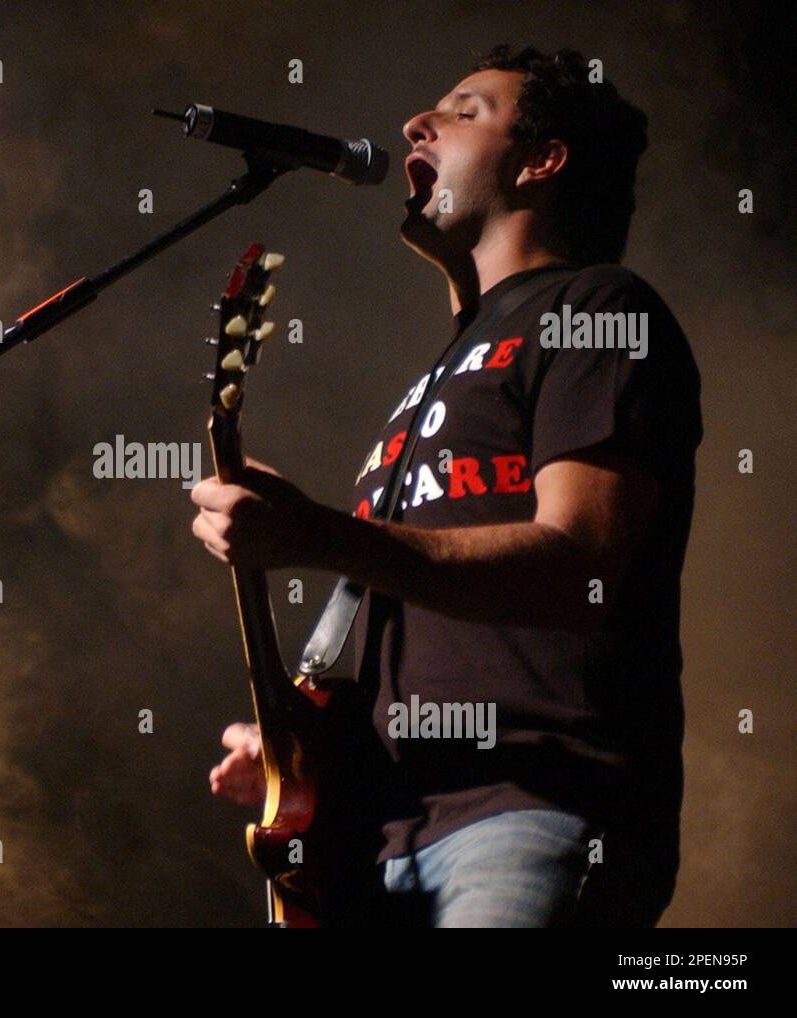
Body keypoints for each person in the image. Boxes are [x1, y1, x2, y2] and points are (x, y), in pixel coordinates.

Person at [189, 45, 702, 927]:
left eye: (466, 110)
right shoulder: (432, 382)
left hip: (526, 809)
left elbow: (579, 566)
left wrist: (315, 534)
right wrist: (301, 754)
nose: (414, 125)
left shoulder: (597, 306)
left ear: (543, 159)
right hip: (381, 846)